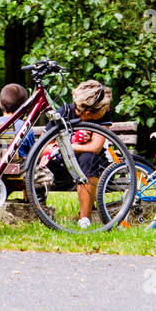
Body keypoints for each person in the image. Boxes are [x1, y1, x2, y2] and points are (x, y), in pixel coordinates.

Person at [58, 79, 114, 229]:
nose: (107, 110)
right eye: (104, 109)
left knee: (89, 158)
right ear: (89, 112)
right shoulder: (64, 112)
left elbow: (96, 147)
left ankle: (84, 219)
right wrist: (75, 143)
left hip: (96, 165)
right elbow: (46, 147)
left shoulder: (104, 113)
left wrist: (67, 146)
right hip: (63, 167)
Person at [0, 82, 35, 160]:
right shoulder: (25, 128)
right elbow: (32, 155)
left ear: (0, 104)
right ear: (23, 107)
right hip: (18, 169)